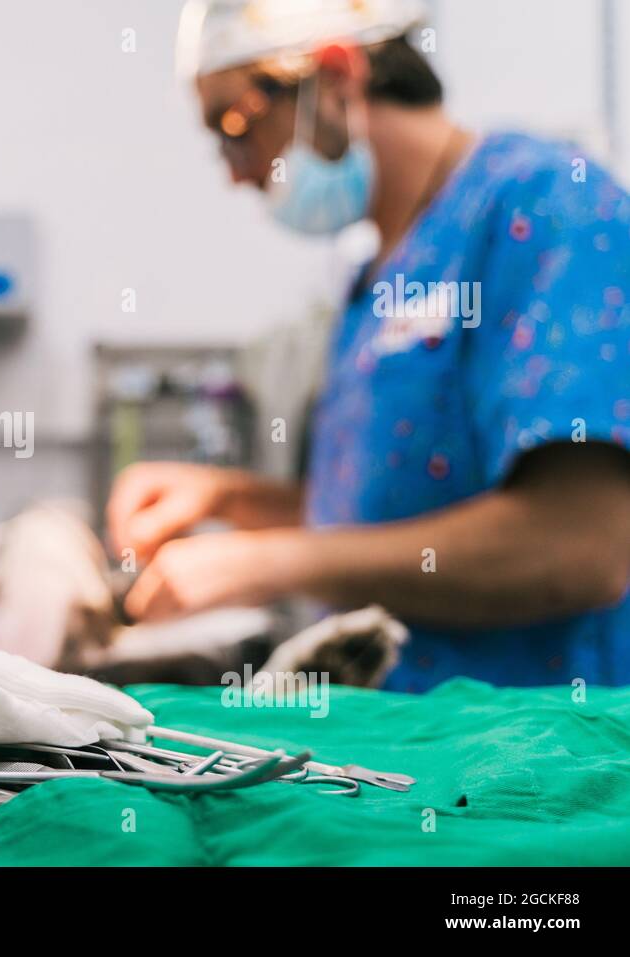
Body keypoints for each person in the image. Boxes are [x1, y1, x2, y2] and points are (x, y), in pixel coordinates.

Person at [109, 0, 630, 691]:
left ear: (335, 73)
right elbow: (387, 511)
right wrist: (227, 498)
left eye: (234, 126)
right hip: (410, 750)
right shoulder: (375, 274)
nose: (235, 173)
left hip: (534, 761)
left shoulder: (546, 207)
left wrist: (273, 562)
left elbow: (580, 545)